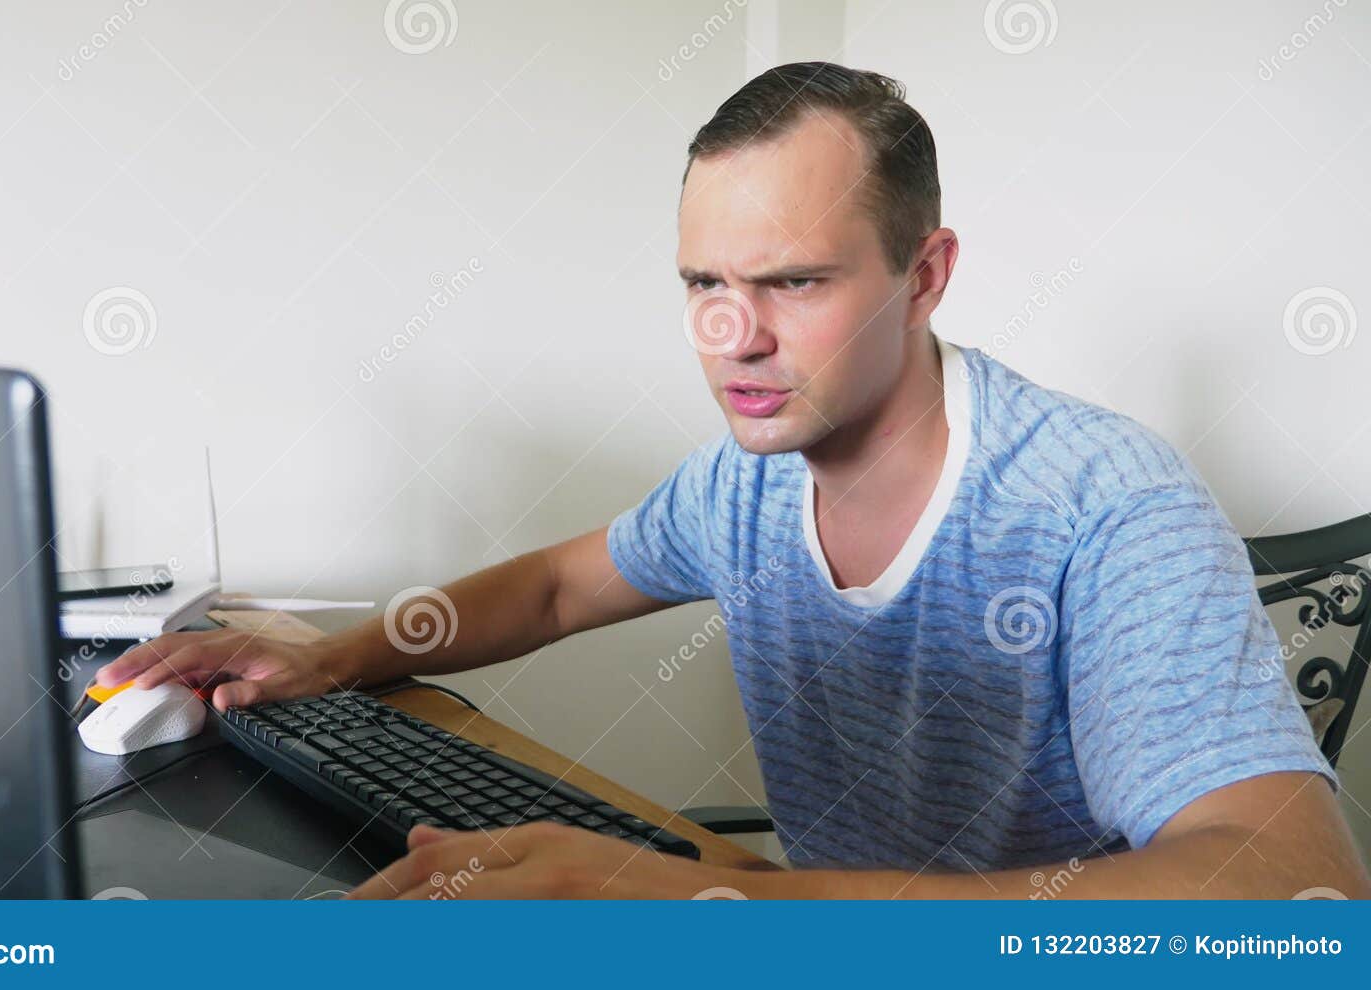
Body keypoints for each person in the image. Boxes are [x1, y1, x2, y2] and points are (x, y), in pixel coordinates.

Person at [98, 62, 1369, 899]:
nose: (732, 340)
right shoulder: (741, 482)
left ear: (925, 274)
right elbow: (550, 591)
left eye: (793, 284)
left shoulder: (1105, 504)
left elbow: (1296, 887)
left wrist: (743, 903)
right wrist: (332, 658)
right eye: (705, 284)